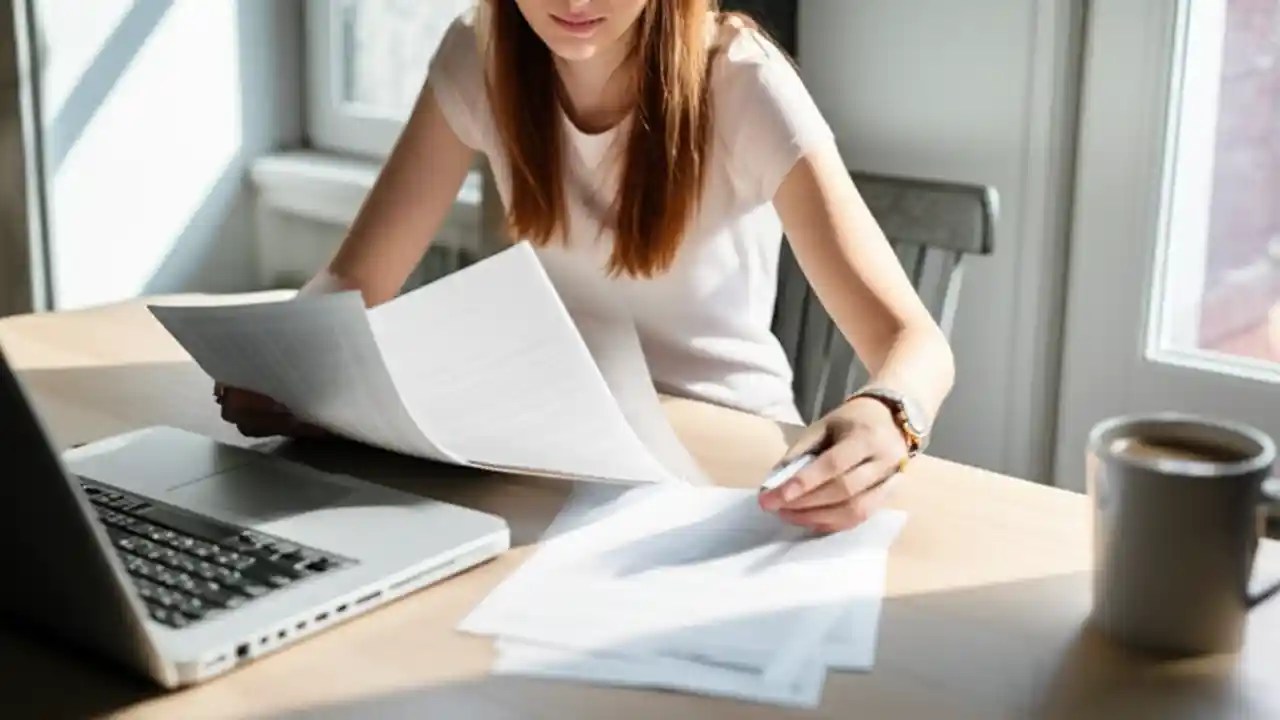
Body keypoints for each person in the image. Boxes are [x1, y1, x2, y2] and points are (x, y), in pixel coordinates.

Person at [218, 0, 955, 532]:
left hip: (724, 471)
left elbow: (914, 344)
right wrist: (286, 357)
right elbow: (353, 281)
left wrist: (890, 413)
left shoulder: (741, 80)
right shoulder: (478, 54)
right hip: (550, 457)